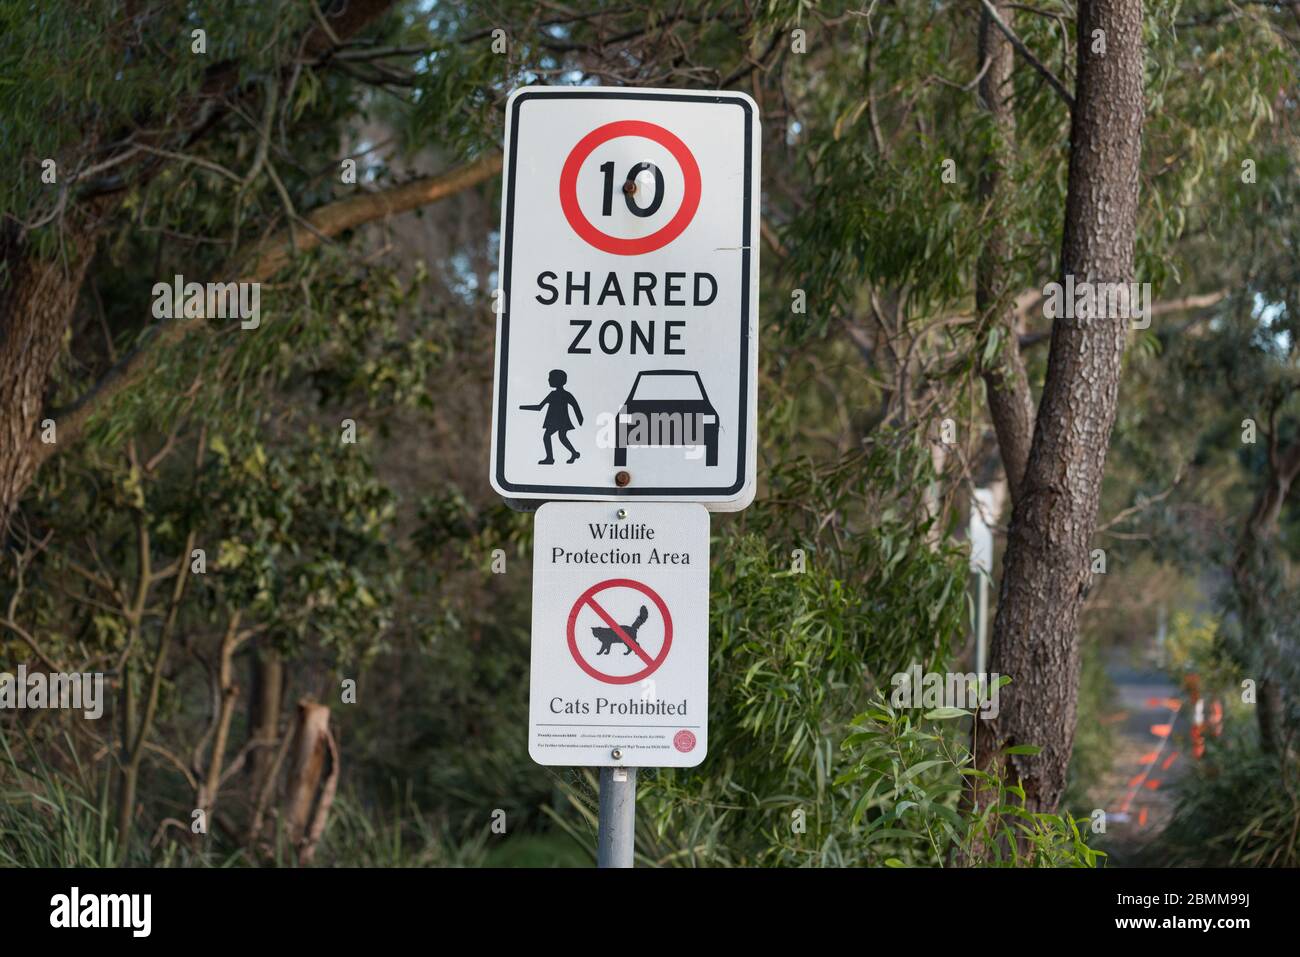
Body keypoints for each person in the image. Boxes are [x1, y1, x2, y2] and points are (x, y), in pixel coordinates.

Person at [519, 369, 583, 464]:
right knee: (560, 437)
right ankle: (573, 453)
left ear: (557, 380)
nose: (548, 380)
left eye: (551, 378)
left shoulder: (564, 395)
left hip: (559, 420)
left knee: (552, 437)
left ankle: (551, 458)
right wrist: (522, 407)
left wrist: (581, 420)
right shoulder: (553, 394)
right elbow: (539, 407)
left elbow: (575, 406)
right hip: (555, 420)